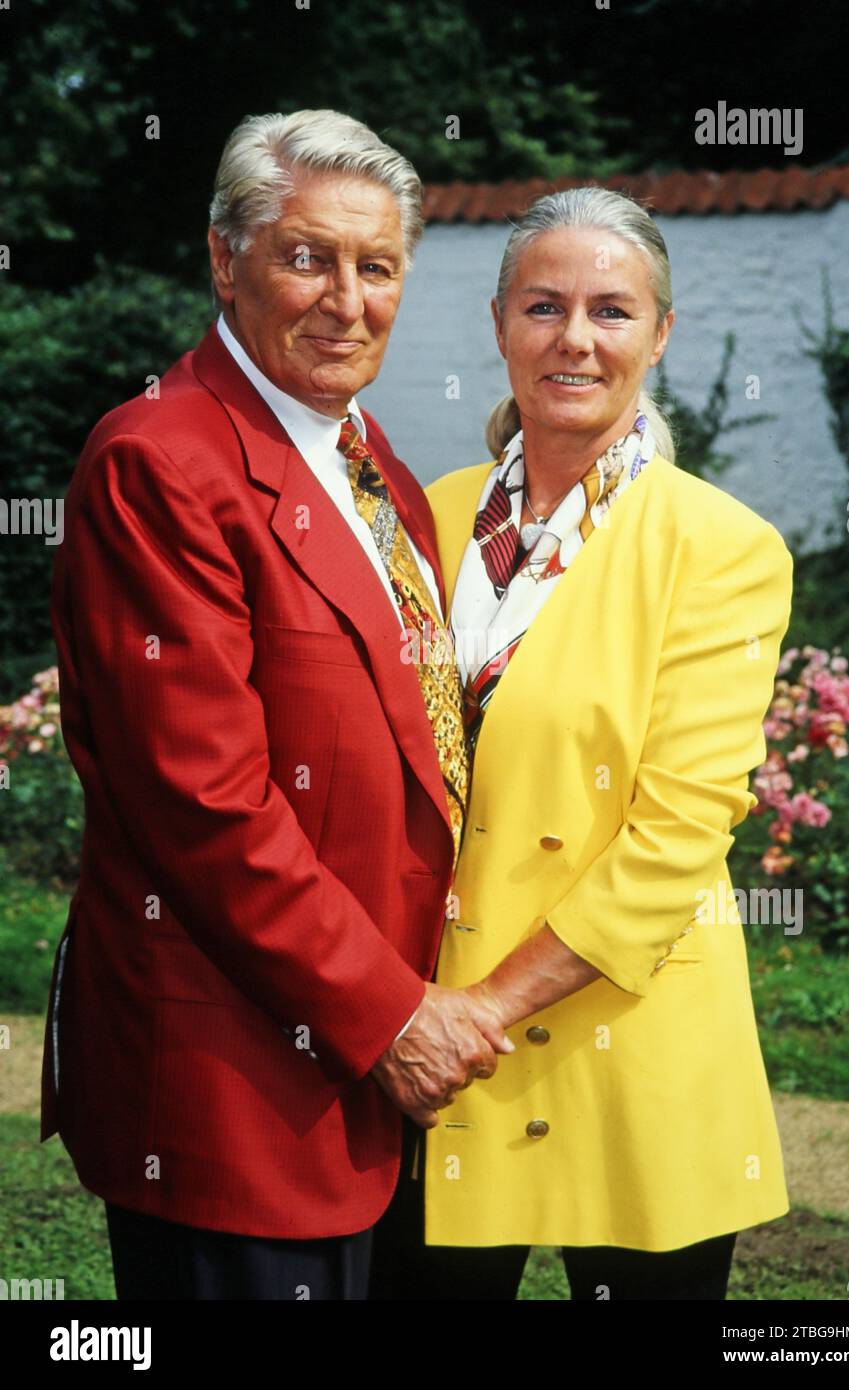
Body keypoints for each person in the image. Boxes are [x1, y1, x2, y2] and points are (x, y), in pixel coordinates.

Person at [39, 108, 511, 1302]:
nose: (346, 300)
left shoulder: (372, 464)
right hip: (237, 1087)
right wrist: (393, 1017)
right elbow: (204, 806)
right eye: (307, 256)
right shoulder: (161, 461)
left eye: (377, 266)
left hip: (370, 1078)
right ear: (222, 259)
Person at [369, 186, 793, 1301]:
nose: (573, 338)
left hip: (622, 1037)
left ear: (659, 336)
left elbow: (677, 837)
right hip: (428, 1049)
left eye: (611, 310)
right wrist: (398, 1010)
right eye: (543, 305)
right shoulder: (422, 516)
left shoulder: (721, 547)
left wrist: (475, 1014)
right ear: (500, 325)